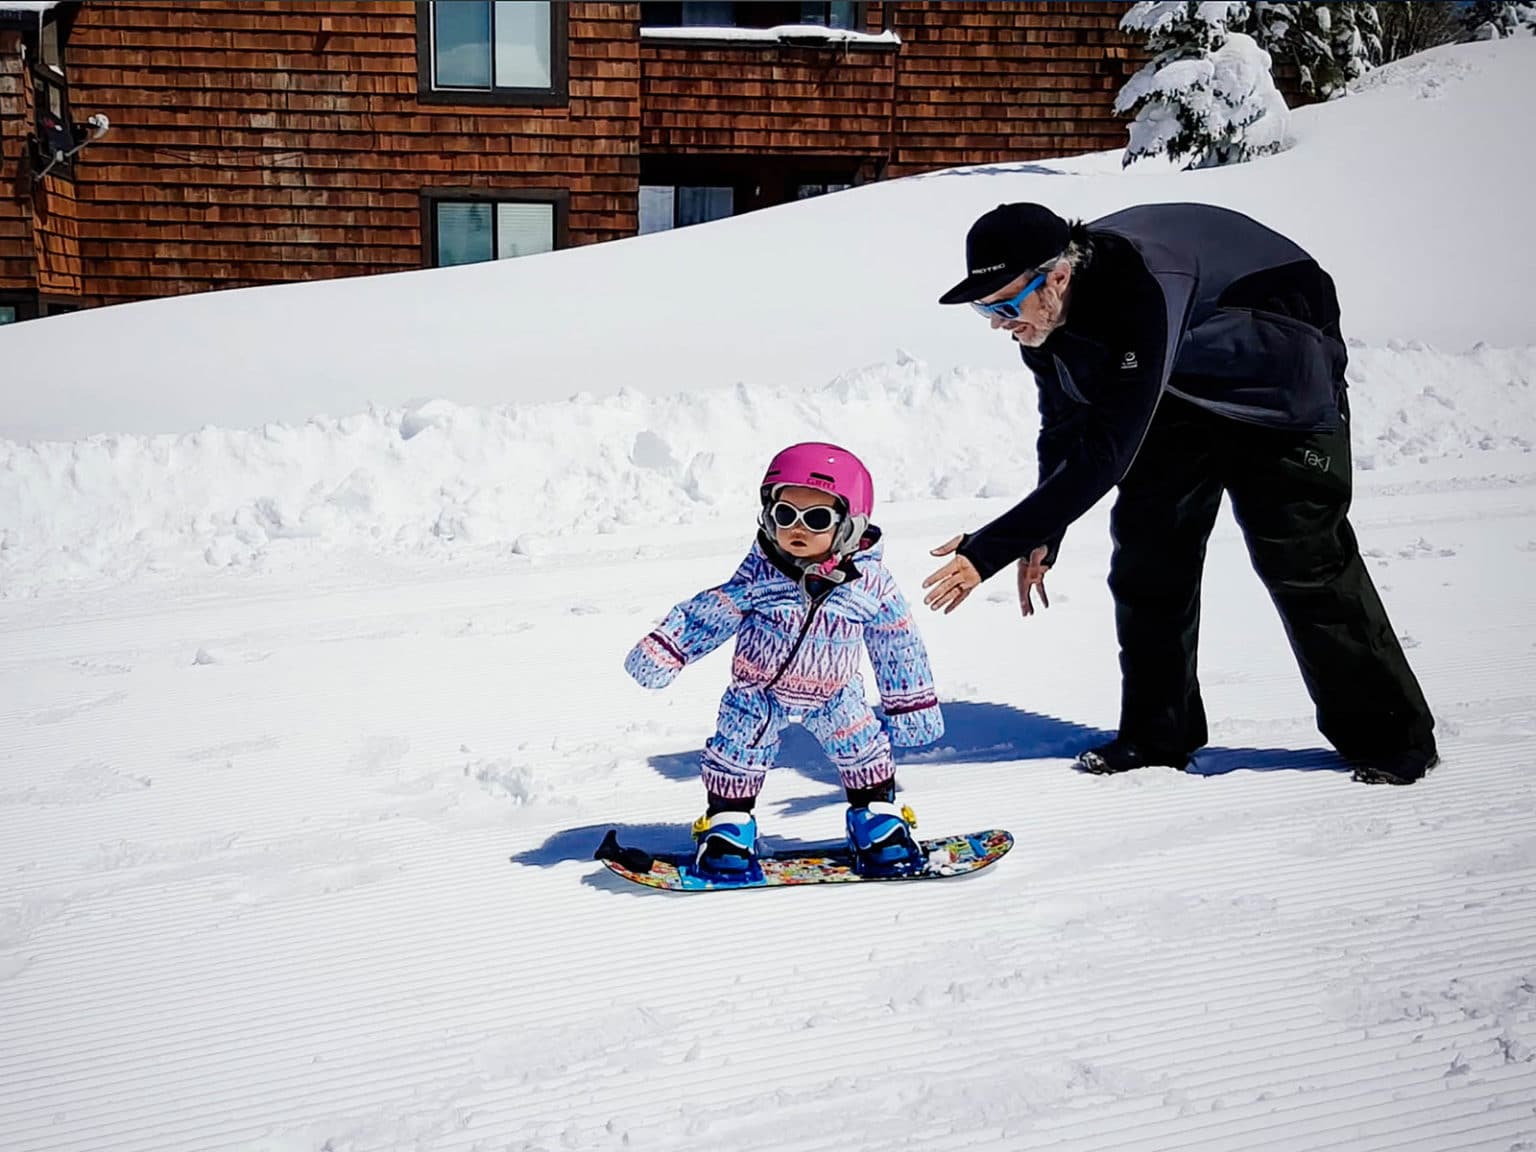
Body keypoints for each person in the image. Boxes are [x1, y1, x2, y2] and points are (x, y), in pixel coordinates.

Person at [921, 201, 1437, 786]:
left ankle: (1393, 737)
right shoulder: (1043, 321)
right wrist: (1043, 532)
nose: (997, 321)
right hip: (1182, 388)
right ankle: (1157, 734)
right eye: (984, 309)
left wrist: (987, 550)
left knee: (1302, 558)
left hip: (1279, 380)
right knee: (1148, 553)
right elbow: (1066, 425)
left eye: (1004, 304)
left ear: (1057, 276)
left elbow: (1107, 455)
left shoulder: (1139, 289)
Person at [625, 442, 945, 879]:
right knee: (736, 751)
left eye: (816, 519)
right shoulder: (760, 573)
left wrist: (911, 706)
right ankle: (729, 823)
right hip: (759, 694)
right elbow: (713, 610)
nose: (797, 528)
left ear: (851, 525)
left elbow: (898, 643)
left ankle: (874, 814)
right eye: (784, 514)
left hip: (835, 694)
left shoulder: (871, 584)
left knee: (863, 749)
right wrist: (667, 649)